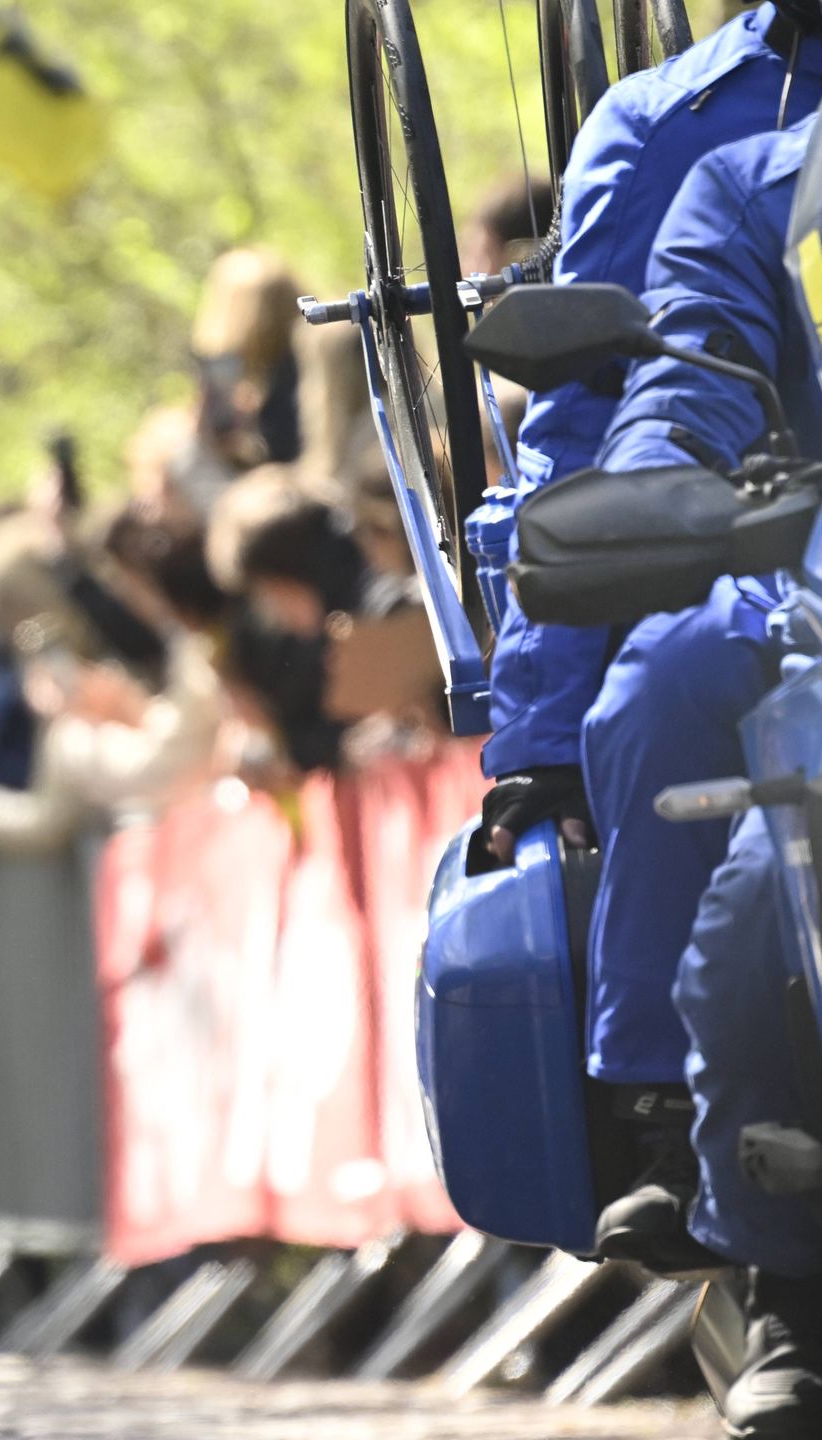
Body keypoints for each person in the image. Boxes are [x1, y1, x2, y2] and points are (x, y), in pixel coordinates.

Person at [474, 1, 822, 1269]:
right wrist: (545, 720)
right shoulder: (730, 169)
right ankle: (686, 1130)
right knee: (665, 672)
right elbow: (633, 403)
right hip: (793, 569)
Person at [584, 113, 822, 1430]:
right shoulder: (759, 190)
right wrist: (664, 485)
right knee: (669, 677)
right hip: (811, 600)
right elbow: (691, 381)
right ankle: (778, 1259)